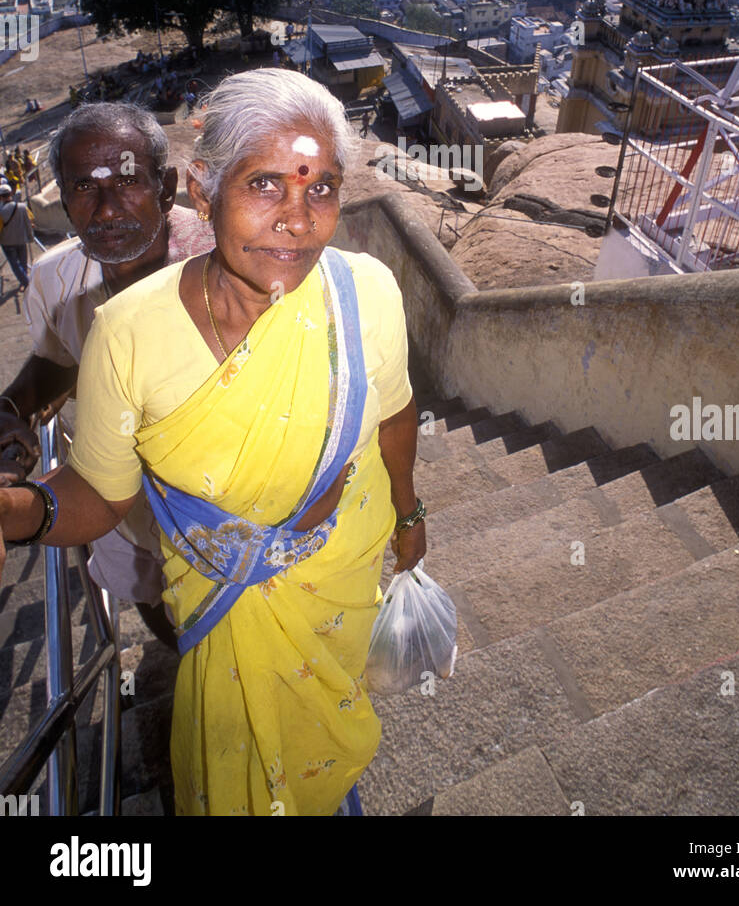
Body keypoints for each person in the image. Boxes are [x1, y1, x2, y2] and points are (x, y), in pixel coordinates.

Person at [0, 70, 425, 816]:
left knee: (326, 725)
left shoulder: (369, 293)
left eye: (321, 188)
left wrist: (411, 515)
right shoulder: (128, 332)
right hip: (214, 598)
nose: (298, 220)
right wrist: (18, 513)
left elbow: (393, 416)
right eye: (266, 185)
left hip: (341, 576)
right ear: (202, 191)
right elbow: (101, 491)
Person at [0, 104, 215, 643]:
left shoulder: (226, 264)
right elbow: (57, 360)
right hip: (120, 514)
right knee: (154, 604)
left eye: (126, 182)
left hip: (229, 524)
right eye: (82, 188)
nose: (105, 209)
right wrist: (10, 410)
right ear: (66, 204)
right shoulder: (55, 280)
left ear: (166, 188)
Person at [0, 179, 34, 291]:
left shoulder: (1, 211)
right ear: (10, 194)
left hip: (7, 242)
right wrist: (30, 236)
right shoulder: (22, 207)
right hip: (21, 239)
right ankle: (24, 283)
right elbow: (28, 223)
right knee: (23, 262)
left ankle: (26, 283)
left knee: (15, 265)